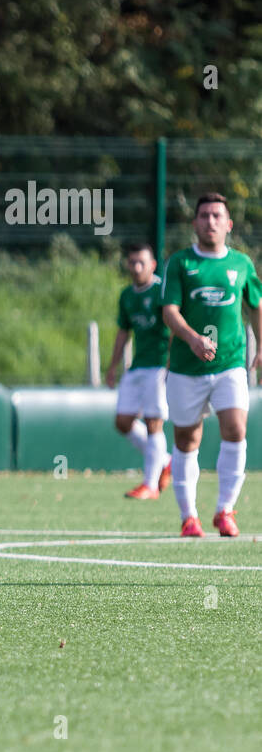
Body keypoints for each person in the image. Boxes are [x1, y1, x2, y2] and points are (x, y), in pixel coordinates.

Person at [160, 192, 262, 537]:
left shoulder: (241, 264)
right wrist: (191, 338)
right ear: (195, 223)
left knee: (236, 429)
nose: (211, 221)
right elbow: (169, 310)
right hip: (187, 368)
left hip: (231, 362)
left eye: (218, 215)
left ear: (228, 224)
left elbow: (257, 304)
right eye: (204, 215)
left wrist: (261, 345)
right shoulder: (180, 263)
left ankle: (225, 511)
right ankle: (189, 517)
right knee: (188, 439)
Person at [105, 242, 172, 499]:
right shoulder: (127, 296)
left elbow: (174, 325)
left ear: (153, 265)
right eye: (132, 262)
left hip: (159, 365)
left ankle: (150, 485)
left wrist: (170, 364)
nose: (136, 267)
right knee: (122, 422)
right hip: (137, 367)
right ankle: (165, 461)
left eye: (141, 262)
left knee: (154, 422)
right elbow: (124, 331)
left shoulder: (161, 292)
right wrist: (112, 366)